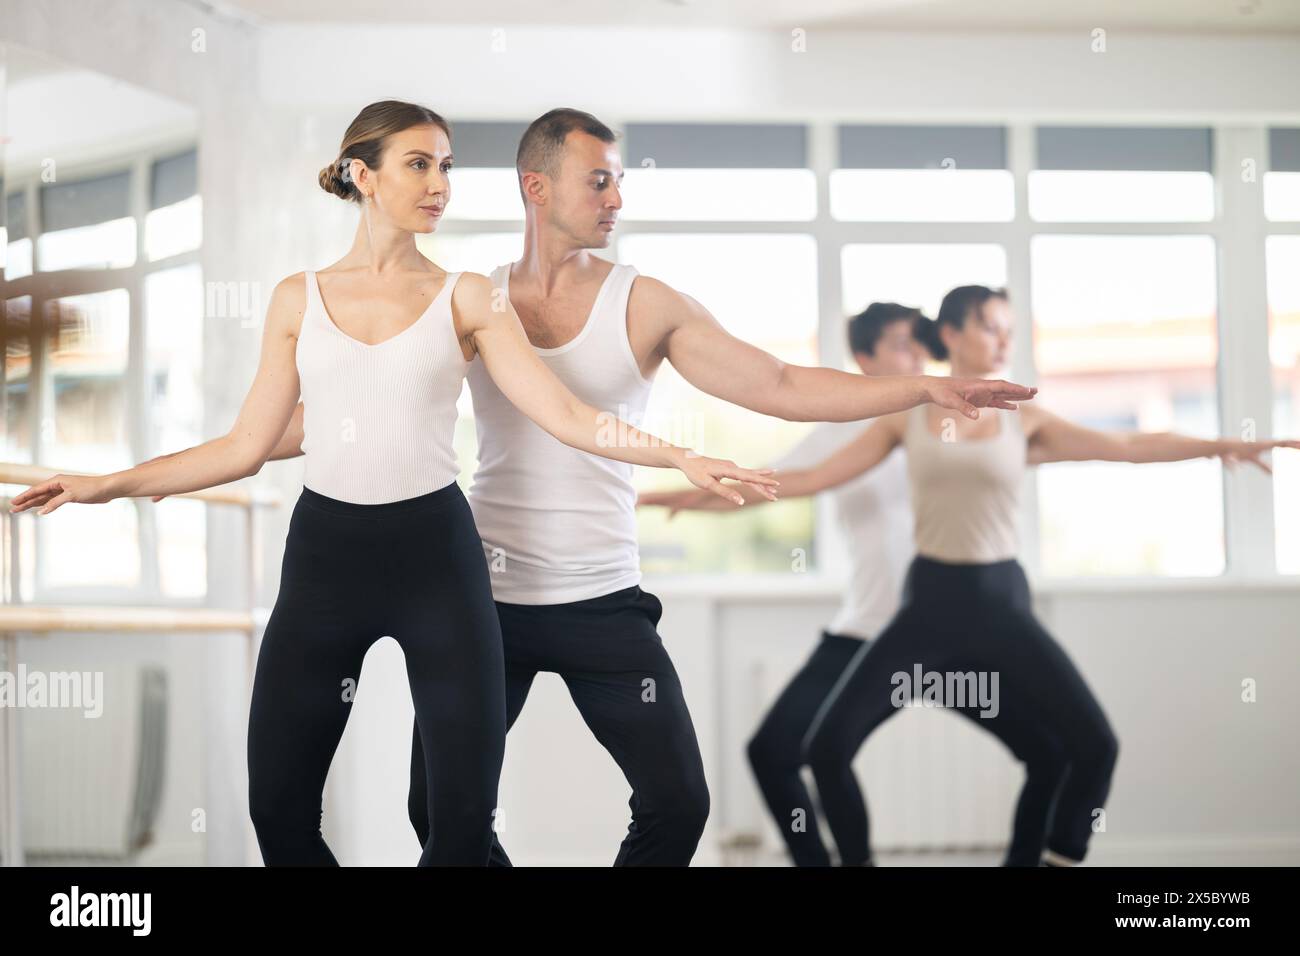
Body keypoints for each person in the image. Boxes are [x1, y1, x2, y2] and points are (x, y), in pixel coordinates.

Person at [8, 100, 778, 867]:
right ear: (360, 174)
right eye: (418, 164)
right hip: (323, 564)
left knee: (458, 826)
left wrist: (678, 454)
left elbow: (566, 413)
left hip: (438, 564)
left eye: (446, 165)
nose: (439, 182)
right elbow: (247, 445)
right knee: (276, 811)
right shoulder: (296, 298)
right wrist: (108, 483)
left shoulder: (470, 296)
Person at [262, 109, 1037, 866]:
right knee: (436, 812)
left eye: (620, 182)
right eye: (599, 182)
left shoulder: (646, 303)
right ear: (537, 187)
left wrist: (921, 390)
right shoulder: (468, 298)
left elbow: (777, 381)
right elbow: (362, 404)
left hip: (603, 600)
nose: (617, 200)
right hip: (485, 598)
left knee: (678, 803)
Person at [642, 284, 1297, 866]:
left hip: (1001, 604)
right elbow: (809, 478)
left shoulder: (1027, 422)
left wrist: (1224, 445)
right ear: (950, 334)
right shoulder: (904, 415)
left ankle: (1055, 856)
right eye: (990, 325)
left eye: (1009, 328)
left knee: (1091, 745)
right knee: (825, 746)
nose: (1004, 338)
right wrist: (701, 482)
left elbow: (1128, 447)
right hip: (928, 606)